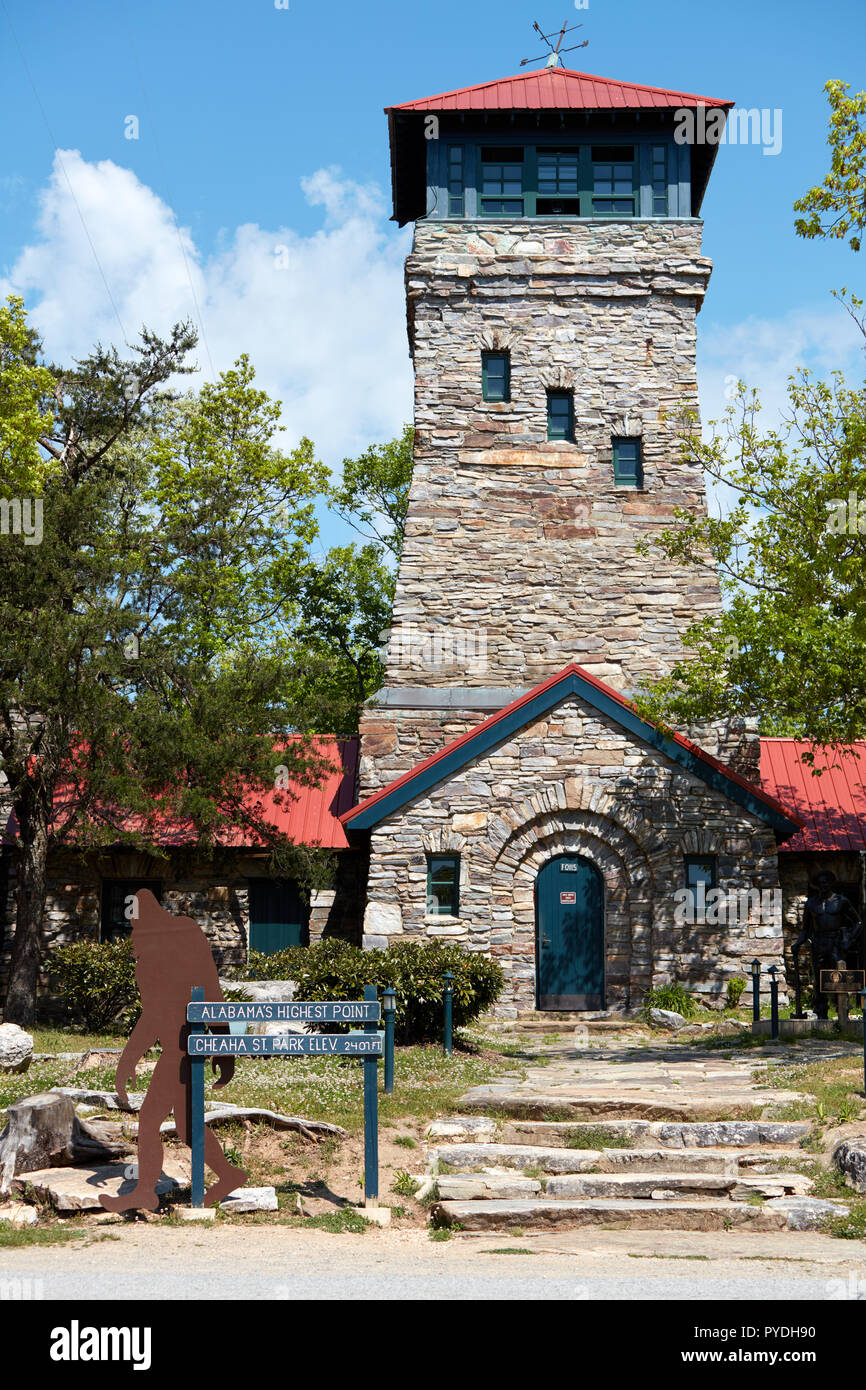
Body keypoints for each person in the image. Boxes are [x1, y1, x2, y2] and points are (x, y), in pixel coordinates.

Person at [99, 890, 247, 1213]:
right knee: (186, 1126)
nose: (135, 936)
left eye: (138, 928)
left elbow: (211, 989)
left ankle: (145, 1192)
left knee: (150, 1120)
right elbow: (152, 1017)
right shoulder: (150, 962)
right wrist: (128, 1059)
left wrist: (224, 1048)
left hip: (182, 1052)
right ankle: (228, 1174)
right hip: (180, 1050)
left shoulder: (183, 936)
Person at [794, 871, 861, 1021]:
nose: (823, 886)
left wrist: (849, 939)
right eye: (820, 883)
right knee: (819, 979)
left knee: (838, 976)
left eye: (825, 882)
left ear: (831, 883)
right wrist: (798, 943)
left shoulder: (841, 901)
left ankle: (843, 1010)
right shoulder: (811, 903)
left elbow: (858, 922)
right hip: (819, 943)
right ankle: (821, 1013)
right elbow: (806, 928)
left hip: (835, 942)